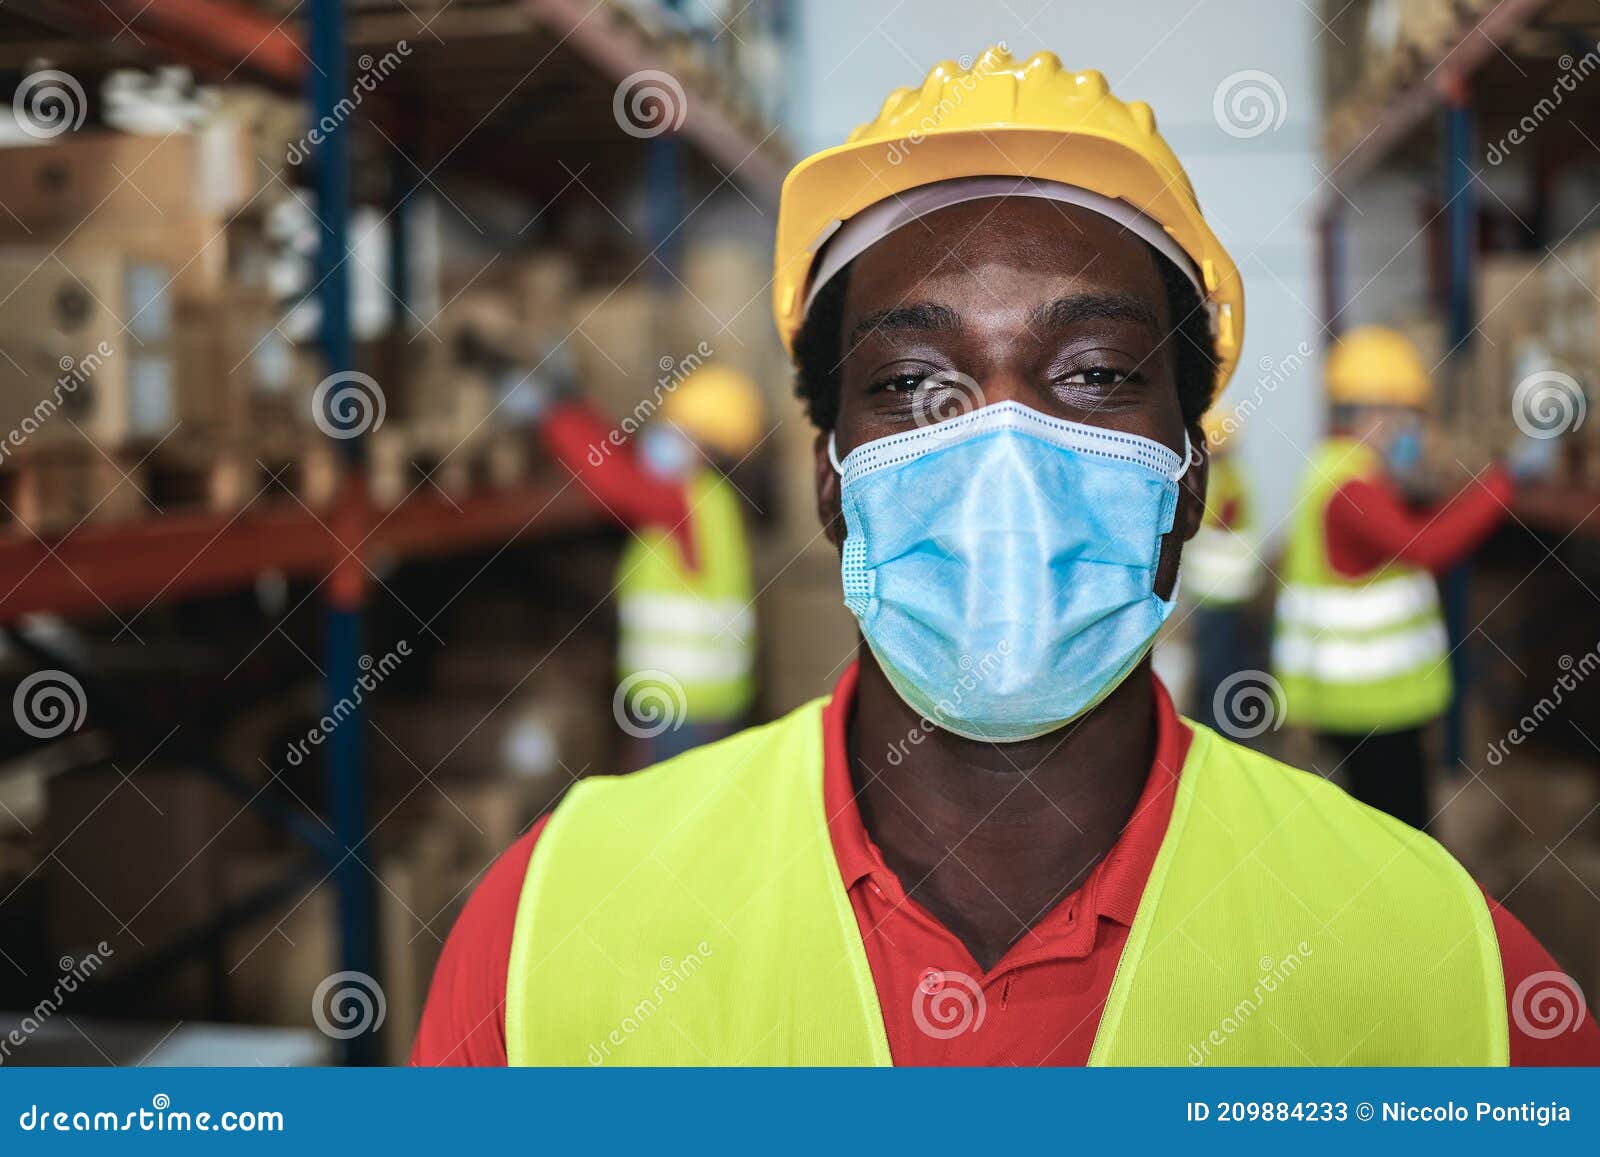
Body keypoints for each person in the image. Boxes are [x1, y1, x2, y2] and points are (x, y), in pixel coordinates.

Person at [413, 48, 1599, 1066]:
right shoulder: (550, 937)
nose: (1004, 451)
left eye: (1091, 374)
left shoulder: (1441, 976)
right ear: (831, 479)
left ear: (1188, 478)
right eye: (914, 385)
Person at [1272, 326, 1523, 830]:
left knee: (1374, 827)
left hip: (1357, 703)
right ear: (1374, 415)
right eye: (1408, 415)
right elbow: (1424, 547)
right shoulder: (1353, 487)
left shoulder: (1339, 467)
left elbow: (1405, 531)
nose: (1414, 429)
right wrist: (1502, 486)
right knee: (1401, 833)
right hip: (1369, 706)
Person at [536, 364, 762, 766]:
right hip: (700, 709)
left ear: (708, 446)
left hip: (683, 715)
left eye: (679, 432)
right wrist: (576, 400)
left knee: (671, 822)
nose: (664, 439)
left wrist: (556, 413)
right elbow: (625, 466)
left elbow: (615, 480)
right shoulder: (713, 502)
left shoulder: (686, 502)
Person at [1183, 410, 1261, 733]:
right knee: (1227, 661)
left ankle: (1220, 728)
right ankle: (1226, 724)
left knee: (1218, 665)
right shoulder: (1234, 472)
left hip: (1217, 590)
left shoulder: (1220, 477)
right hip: (1227, 589)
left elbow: (1207, 519)